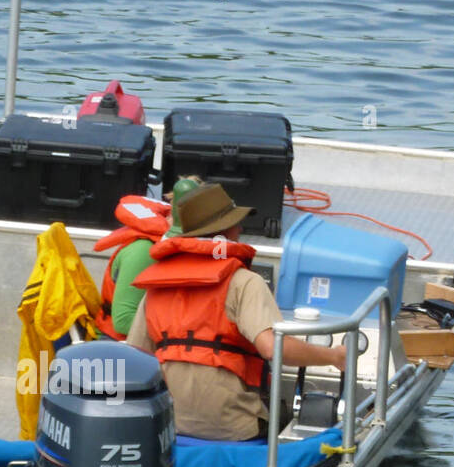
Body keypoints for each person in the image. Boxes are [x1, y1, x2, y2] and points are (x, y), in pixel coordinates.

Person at [126, 183, 346, 441]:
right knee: (291, 416)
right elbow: (274, 348)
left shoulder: (155, 285)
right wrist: (333, 356)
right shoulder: (243, 282)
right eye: (236, 223)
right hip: (233, 427)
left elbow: (137, 356)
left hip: (170, 423)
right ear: (225, 232)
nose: (241, 229)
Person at [92, 176, 204, 339]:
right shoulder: (145, 251)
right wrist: (188, 334)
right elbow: (123, 321)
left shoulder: (185, 247)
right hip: (120, 346)